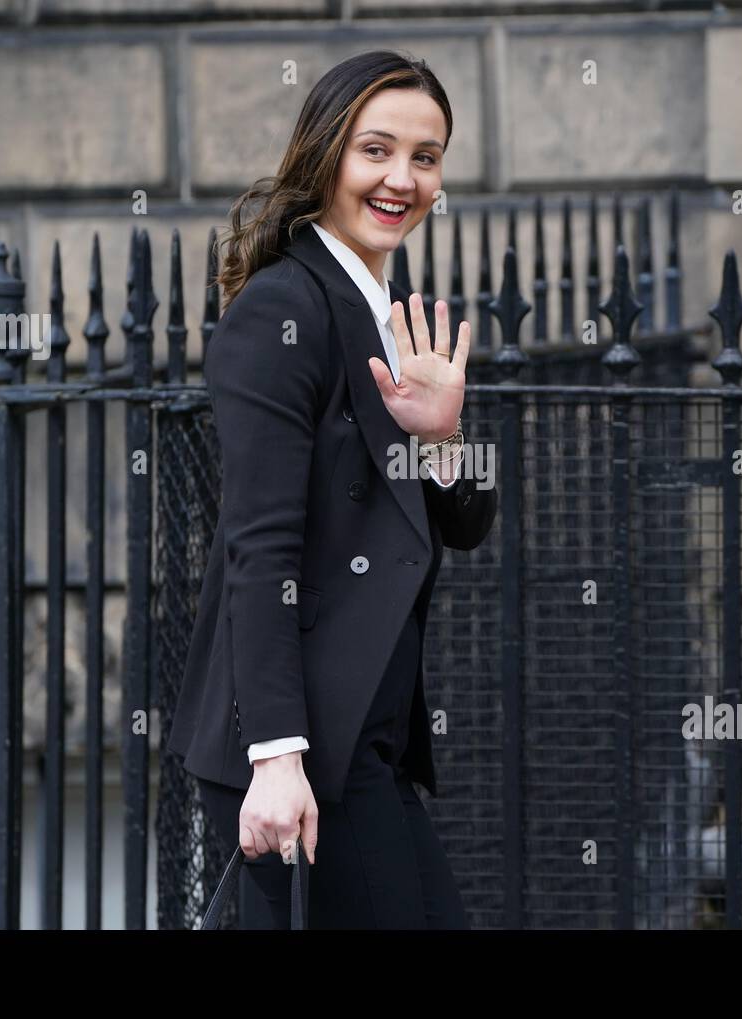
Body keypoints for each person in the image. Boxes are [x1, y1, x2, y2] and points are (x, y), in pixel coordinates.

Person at [166, 49, 498, 929]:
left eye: (425, 158)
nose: (402, 179)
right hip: (297, 751)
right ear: (326, 158)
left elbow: (465, 523)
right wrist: (276, 757)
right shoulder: (283, 309)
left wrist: (445, 436)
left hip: (368, 743)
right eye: (375, 151)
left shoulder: (390, 315)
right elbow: (259, 545)